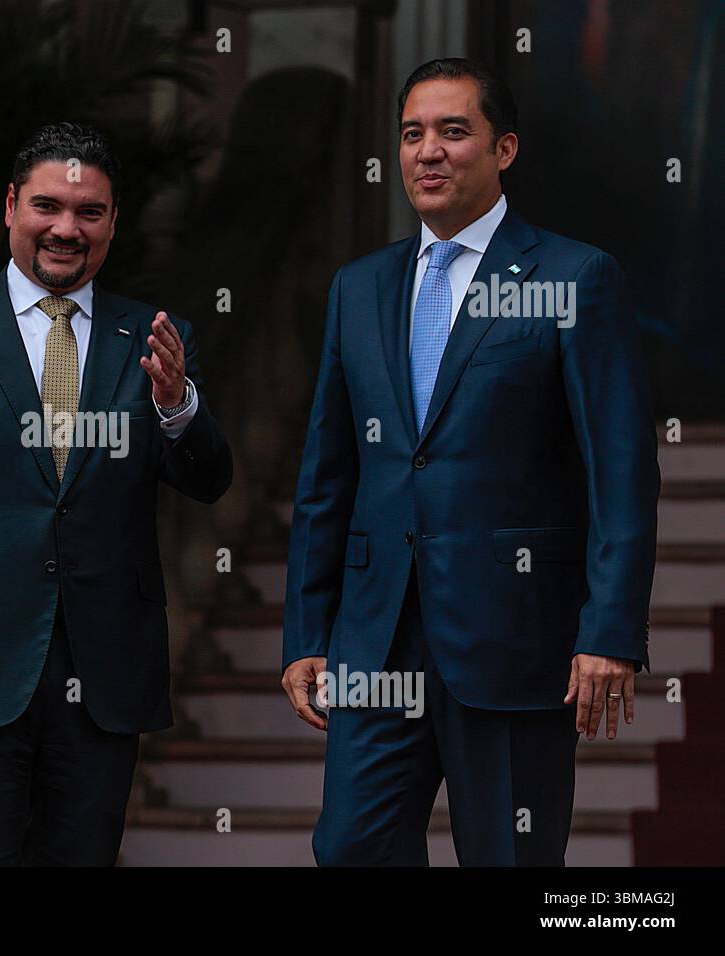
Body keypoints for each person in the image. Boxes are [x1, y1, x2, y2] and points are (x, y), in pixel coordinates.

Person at [281, 57, 660, 866]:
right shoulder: (360, 288)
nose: (429, 151)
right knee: (350, 847)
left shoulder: (574, 277)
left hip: (516, 638)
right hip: (374, 642)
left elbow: (622, 472)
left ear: (505, 149)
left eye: (455, 131)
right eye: (413, 133)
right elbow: (328, 476)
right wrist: (307, 632)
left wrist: (612, 630)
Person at [0, 122, 233, 865]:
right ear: (10, 206)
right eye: (47, 206)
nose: (66, 228)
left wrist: (176, 402)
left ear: (114, 221)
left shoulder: (155, 337)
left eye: (89, 211)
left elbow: (208, 478)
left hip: (103, 670)